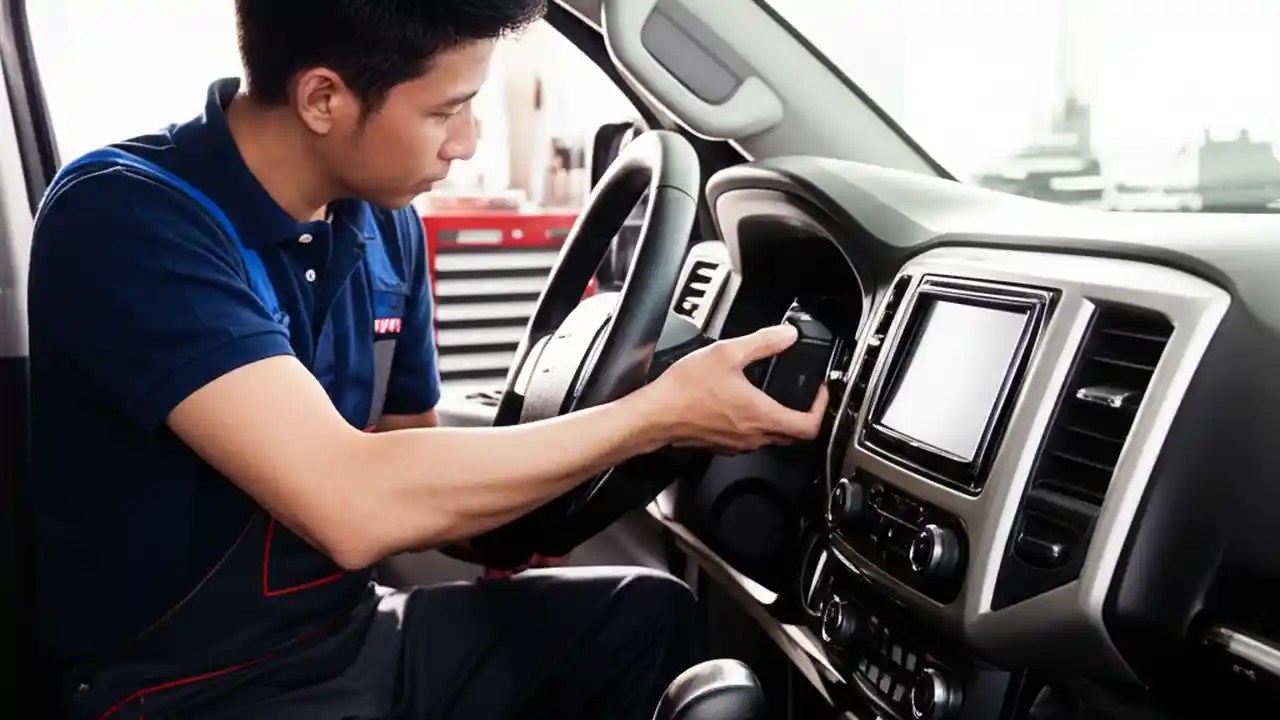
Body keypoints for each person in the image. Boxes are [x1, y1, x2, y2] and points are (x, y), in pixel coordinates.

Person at [26, 1, 827, 718]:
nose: (467, 143)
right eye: (449, 110)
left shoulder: (384, 222)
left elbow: (412, 451)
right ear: (323, 99)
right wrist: (650, 417)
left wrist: (527, 510)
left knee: (646, 617)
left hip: (351, 639)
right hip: (188, 687)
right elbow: (354, 503)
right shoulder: (127, 219)